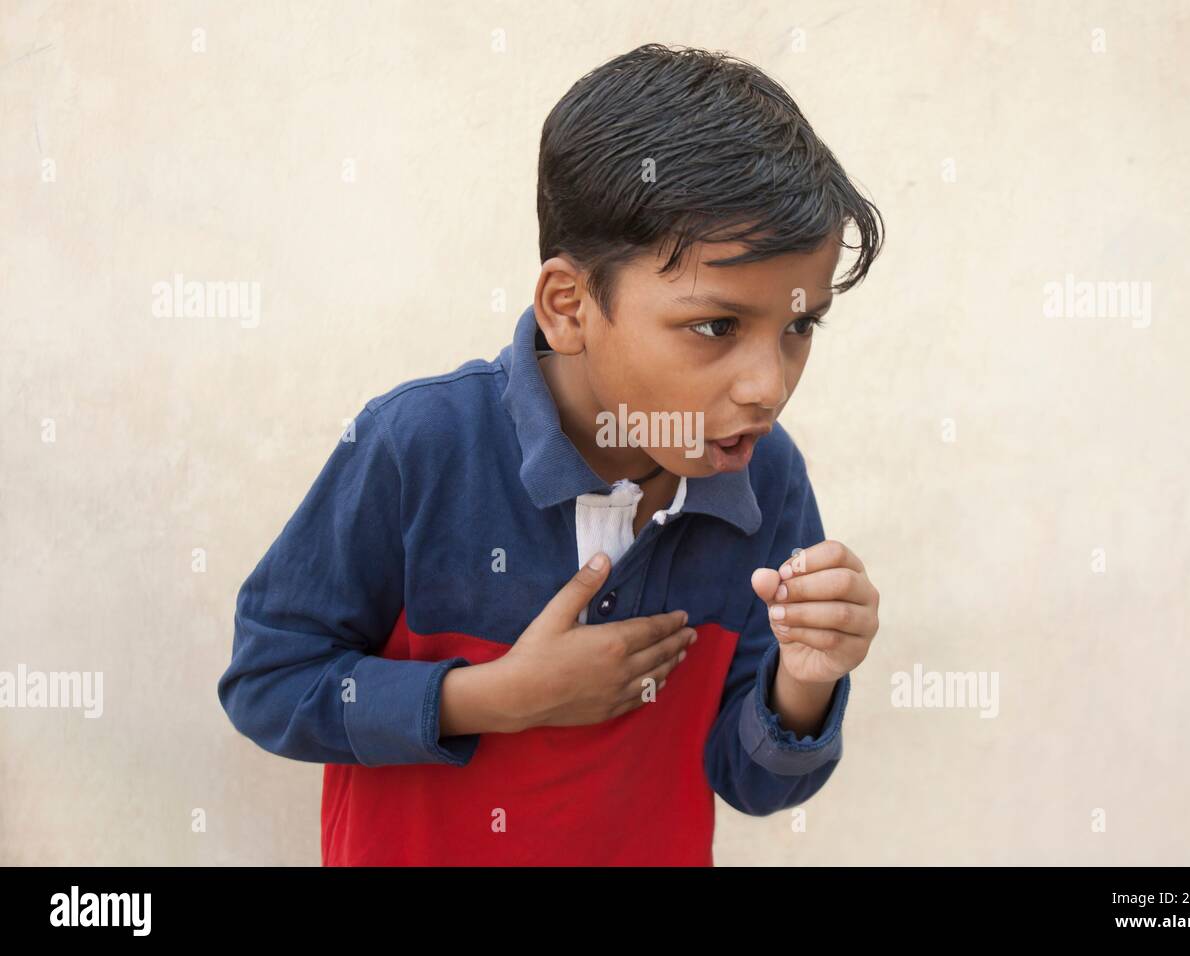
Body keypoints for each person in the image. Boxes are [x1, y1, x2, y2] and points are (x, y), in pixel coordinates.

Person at [218, 42, 884, 866]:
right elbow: (267, 684)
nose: (767, 386)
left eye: (798, 327)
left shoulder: (765, 476)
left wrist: (806, 679)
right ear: (569, 307)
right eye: (716, 327)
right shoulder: (417, 447)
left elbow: (755, 784)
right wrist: (496, 698)